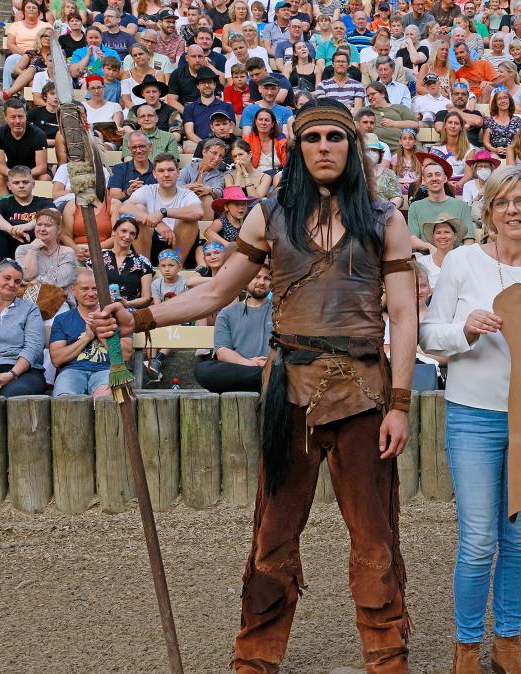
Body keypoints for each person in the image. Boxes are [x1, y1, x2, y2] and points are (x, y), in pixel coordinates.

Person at [94, 98, 420, 674]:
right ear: (298, 148)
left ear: (352, 147)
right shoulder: (269, 215)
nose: (324, 147)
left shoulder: (384, 218)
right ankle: (255, 658)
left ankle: (387, 658)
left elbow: (403, 312)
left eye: (335, 137)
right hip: (288, 392)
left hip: (364, 394)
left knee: (374, 539)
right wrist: (138, 318)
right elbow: (215, 292)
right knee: (274, 534)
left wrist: (400, 403)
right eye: (313, 137)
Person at [419, 165, 521, 674]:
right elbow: (429, 336)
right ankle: (466, 646)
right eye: (503, 201)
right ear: (488, 210)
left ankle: (507, 642)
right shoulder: (462, 261)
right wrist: (465, 329)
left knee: (520, 538)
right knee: (479, 538)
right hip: (473, 414)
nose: (513, 210)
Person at [50, 269, 133, 398]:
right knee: (65, 398)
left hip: (107, 371)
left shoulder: (117, 316)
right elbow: (57, 359)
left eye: (95, 289)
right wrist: (87, 338)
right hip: (72, 372)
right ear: (73, 289)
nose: (91, 293)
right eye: (84, 289)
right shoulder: (62, 319)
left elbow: (126, 355)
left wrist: (100, 332)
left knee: (105, 398)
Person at [192, 266, 274, 394]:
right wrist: (251, 363)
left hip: (273, 366)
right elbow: (222, 351)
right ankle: (264, 379)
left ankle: (265, 378)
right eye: (256, 277)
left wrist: (269, 362)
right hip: (241, 368)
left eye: (267, 278)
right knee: (202, 370)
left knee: (285, 370)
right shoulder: (227, 313)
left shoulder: (281, 311)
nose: (262, 282)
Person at [122, 153, 206, 264]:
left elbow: (198, 212)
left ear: (178, 172)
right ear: (154, 174)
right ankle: (144, 265)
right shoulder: (147, 190)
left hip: (179, 248)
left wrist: (163, 213)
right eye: (161, 171)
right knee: (138, 210)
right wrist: (157, 222)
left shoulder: (187, 194)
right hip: (150, 245)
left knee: (189, 219)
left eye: (170, 170)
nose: (166, 175)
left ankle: (176, 264)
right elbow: (124, 207)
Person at [0, 260, 48, 397]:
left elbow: (33, 347)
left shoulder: (29, 309)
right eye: (7, 278)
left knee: (16, 394)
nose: (11, 284)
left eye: (17, 281)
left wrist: (11, 374)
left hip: (21, 372)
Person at [0, 165, 55, 264]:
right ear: (9, 186)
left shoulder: (42, 202)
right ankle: (0, 267)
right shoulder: (6, 202)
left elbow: (54, 213)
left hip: (35, 246)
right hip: (8, 246)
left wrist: (28, 226)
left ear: (33, 184)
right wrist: (11, 229)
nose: (21, 186)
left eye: (25, 182)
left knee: (48, 226)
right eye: (16, 183)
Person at [0, 99, 49, 196]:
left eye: (20, 116)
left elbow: (41, 167)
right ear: (5, 117)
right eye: (13, 117)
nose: (17, 121)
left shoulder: (38, 134)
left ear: (26, 116)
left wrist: (22, 176)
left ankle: (39, 205)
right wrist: (13, 174)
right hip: (11, 171)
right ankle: (5, 205)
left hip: (33, 172)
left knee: (44, 178)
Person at [15, 208, 78, 289]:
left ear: (58, 229)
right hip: (29, 296)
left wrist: (36, 282)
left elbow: (61, 279)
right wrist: (33, 249)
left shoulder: (67, 252)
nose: (42, 229)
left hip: (60, 296)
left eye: (48, 225)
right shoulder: (23, 250)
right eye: (39, 225)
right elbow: (27, 276)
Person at [416, 213, 467, 289]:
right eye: (438, 233)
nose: (442, 236)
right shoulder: (423, 262)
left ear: (455, 236)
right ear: (433, 237)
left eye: (447, 232)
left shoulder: (464, 262)